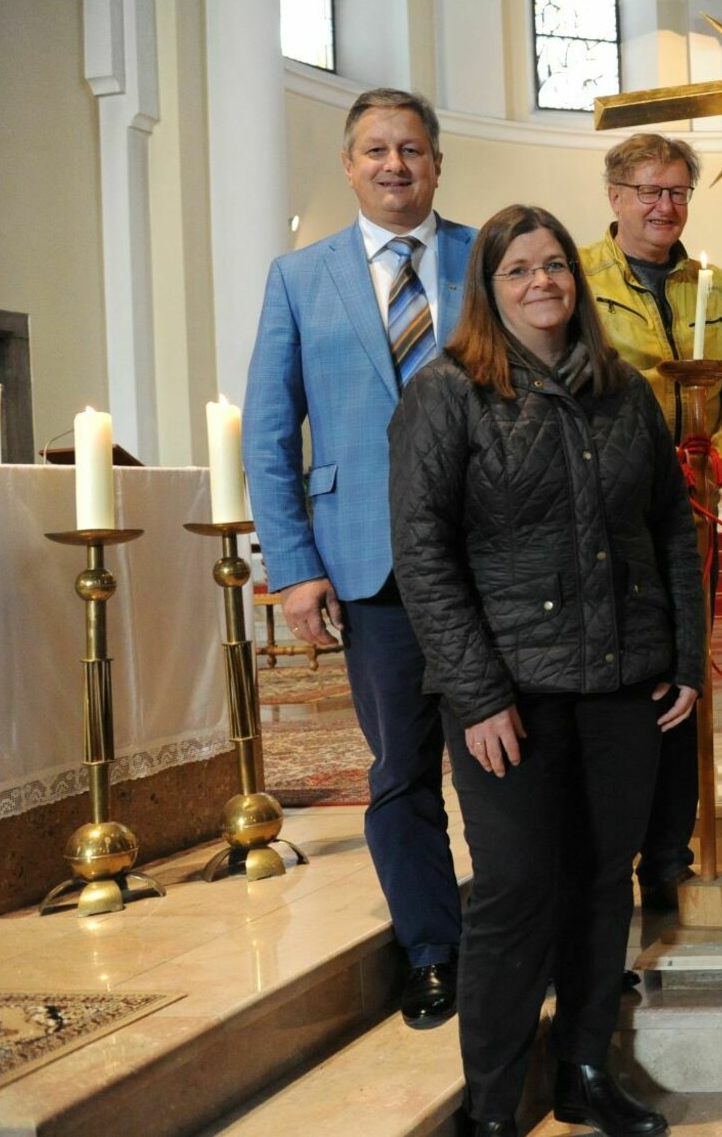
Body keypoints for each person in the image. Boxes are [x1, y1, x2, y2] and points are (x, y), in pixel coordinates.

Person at [390, 204, 703, 1137]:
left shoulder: (623, 388)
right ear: (488, 287)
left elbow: (671, 527)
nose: (542, 283)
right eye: (519, 268)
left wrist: (684, 653)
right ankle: (489, 1108)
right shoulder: (448, 392)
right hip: (508, 695)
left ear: (579, 277)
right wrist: (477, 692)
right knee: (518, 887)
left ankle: (582, 1072)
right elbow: (423, 552)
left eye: (556, 265)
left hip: (620, 680)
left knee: (606, 878)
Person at [243, 88, 468, 1027]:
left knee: (509, 765)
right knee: (401, 772)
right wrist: (294, 564)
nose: (394, 165)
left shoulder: (484, 256)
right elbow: (267, 433)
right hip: (369, 566)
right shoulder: (300, 277)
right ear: (348, 164)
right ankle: (434, 950)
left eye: (411, 149)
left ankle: (516, 936)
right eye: (375, 149)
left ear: (435, 163)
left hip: (491, 561)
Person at [582, 132, 722, 912]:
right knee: (616, 685)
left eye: (679, 192)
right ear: (616, 196)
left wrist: (719, 454)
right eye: (651, 190)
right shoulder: (578, 277)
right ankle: (603, 856)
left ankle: (668, 854)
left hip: (689, 511)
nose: (666, 206)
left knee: (683, 676)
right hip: (604, 517)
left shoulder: (714, 287)